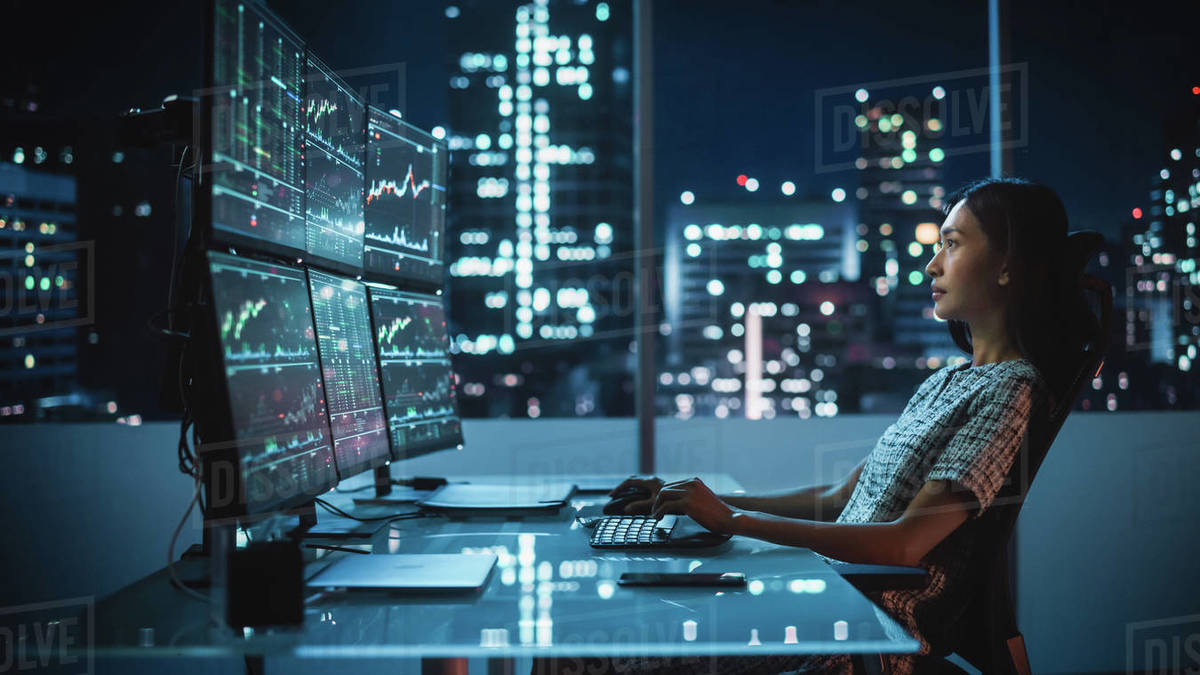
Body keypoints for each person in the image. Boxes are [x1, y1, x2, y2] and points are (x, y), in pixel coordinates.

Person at [538, 177, 1092, 675]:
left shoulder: (1010, 391)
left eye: (952, 244)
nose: (932, 266)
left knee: (581, 656)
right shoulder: (946, 382)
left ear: (1008, 265)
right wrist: (696, 501)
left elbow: (904, 546)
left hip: (857, 635)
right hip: (823, 603)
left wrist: (733, 521)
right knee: (578, 645)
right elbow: (837, 500)